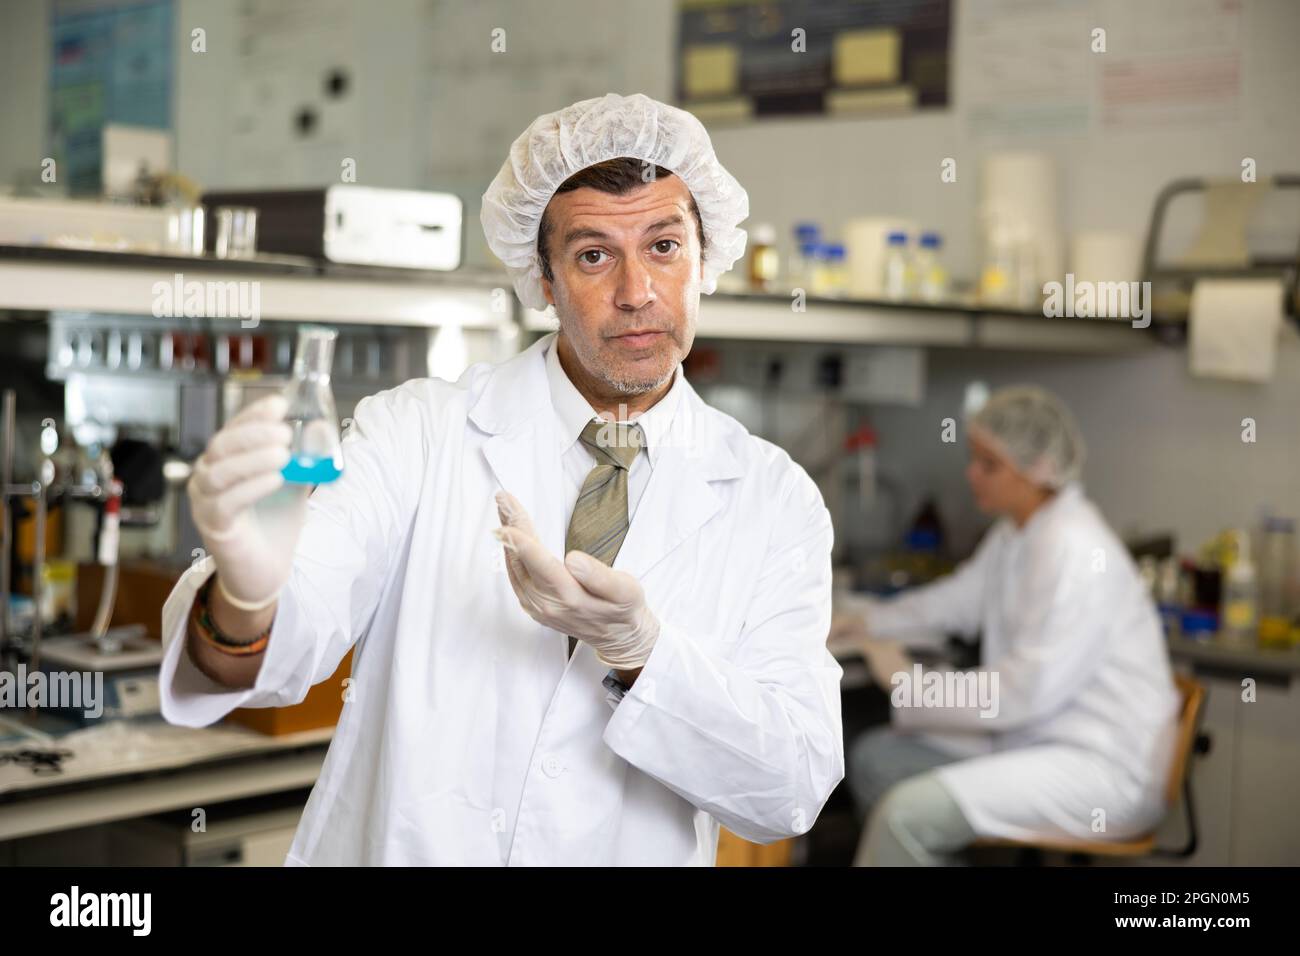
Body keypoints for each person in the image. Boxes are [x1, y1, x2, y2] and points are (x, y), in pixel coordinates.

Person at [159, 93, 844, 866]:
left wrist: (643, 654)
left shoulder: (774, 500)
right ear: (543, 279)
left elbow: (790, 785)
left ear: (706, 256)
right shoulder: (416, 433)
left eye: (663, 246)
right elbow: (275, 641)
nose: (636, 291)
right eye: (592, 255)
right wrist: (246, 598)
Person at [829, 386, 1179, 866]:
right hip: (1034, 738)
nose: (971, 474)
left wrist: (912, 686)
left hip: (1098, 764)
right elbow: (953, 602)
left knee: (903, 815)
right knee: (875, 760)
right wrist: (862, 622)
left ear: (1037, 470)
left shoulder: (1075, 551)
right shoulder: (1018, 532)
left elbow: (1022, 692)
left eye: (988, 465)